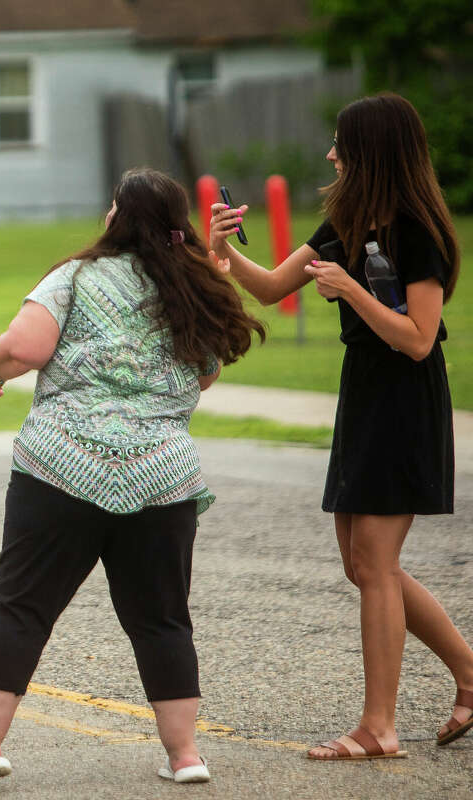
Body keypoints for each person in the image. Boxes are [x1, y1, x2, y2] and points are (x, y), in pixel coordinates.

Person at [0, 168, 265, 782]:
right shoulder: (191, 285)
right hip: (161, 478)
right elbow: (207, 371)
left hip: (61, 468)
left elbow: (26, 348)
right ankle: (185, 756)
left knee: (22, 608)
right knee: (162, 617)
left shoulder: (76, 277)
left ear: (115, 217)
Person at [209, 92, 471, 760]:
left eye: (341, 144)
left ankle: (378, 728)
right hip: (363, 396)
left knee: (376, 564)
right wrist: (222, 251)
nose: (330, 154)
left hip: (405, 401)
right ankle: (471, 674)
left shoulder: (418, 232)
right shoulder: (346, 220)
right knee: (363, 565)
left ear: (372, 152)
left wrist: (351, 290)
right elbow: (270, 288)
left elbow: (419, 339)